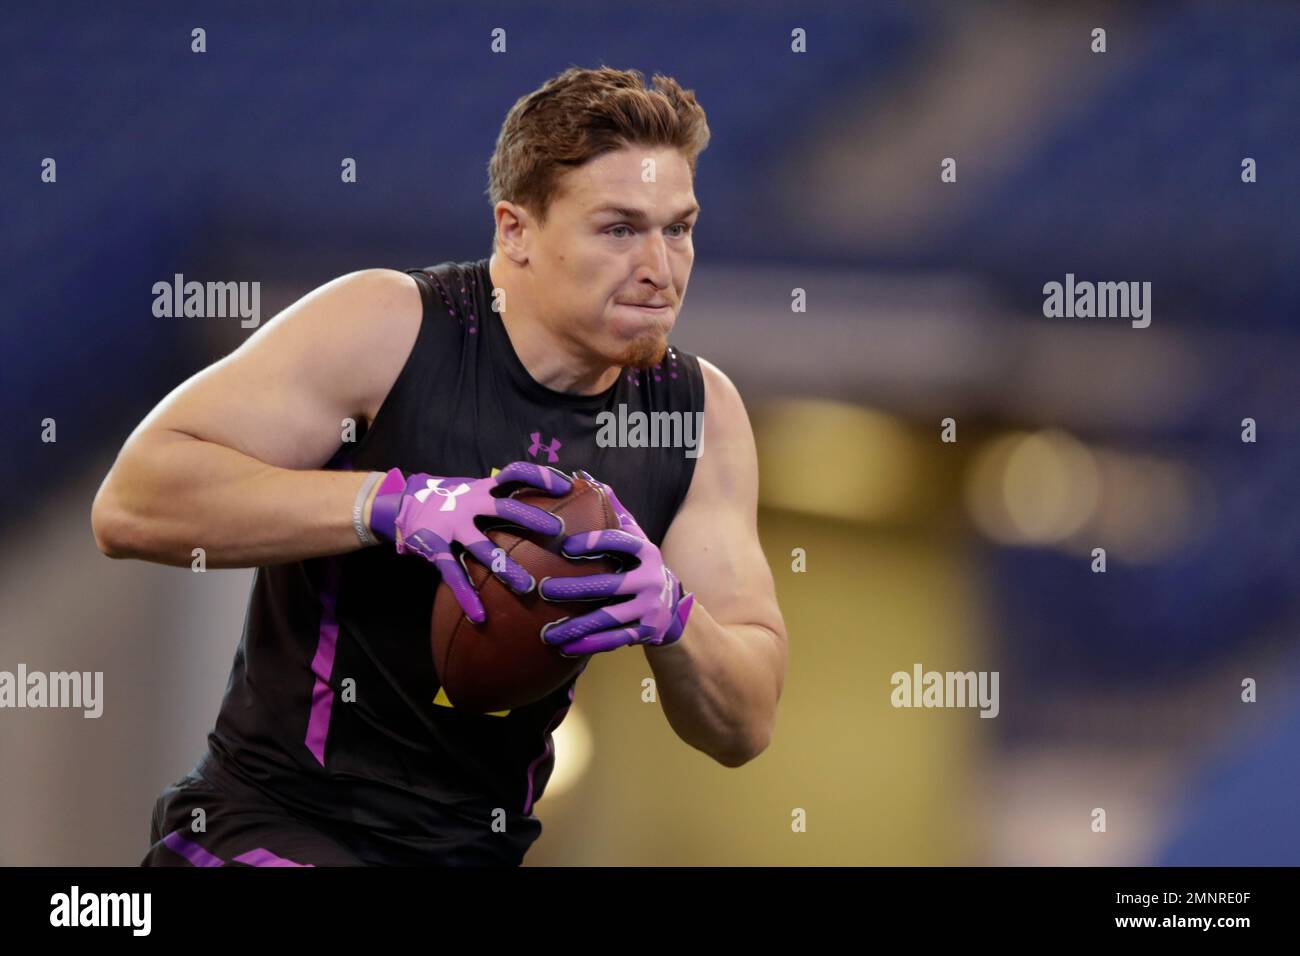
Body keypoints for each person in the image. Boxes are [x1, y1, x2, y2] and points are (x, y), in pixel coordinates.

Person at [92, 65, 787, 866]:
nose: (660, 268)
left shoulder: (697, 414)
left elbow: (747, 722)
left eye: (679, 228)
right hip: (275, 826)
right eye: (620, 229)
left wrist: (672, 615)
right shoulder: (392, 327)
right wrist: (391, 506)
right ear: (515, 231)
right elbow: (132, 504)